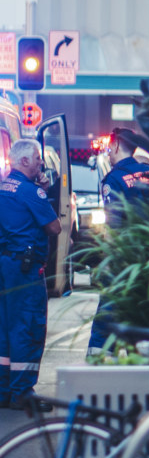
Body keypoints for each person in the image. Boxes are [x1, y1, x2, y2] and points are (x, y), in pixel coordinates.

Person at [88, 129, 149, 355]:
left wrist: (108, 263)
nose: (108, 153)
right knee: (146, 315)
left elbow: (114, 226)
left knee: (107, 316)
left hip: (125, 260)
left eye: (109, 148)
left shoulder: (114, 179)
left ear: (117, 146)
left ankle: (99, 362)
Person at [0, 139, 62, 410]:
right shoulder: (31, 191)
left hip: (5, 264)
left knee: (4, 327)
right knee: (27, 325)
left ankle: (3, 390)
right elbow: (55, 228)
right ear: (24, 161)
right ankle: (23, 391)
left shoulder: (3, 187)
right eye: (37, 158)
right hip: (25, 270)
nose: (41, 163)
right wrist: (42, 193)